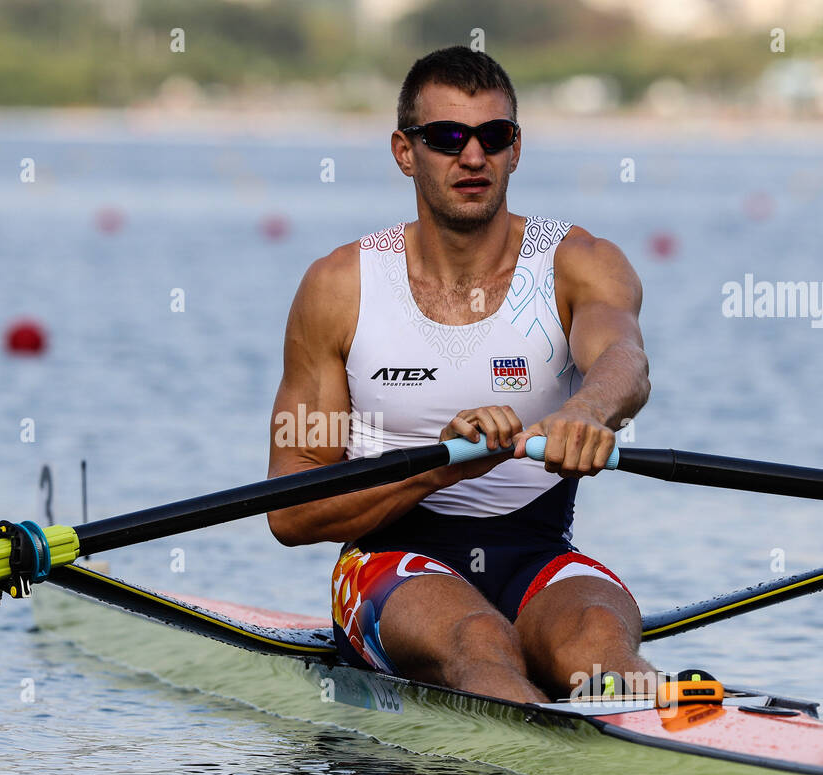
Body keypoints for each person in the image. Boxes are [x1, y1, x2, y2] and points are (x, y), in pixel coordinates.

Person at [267, 47, 654, 704]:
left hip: (536, 556)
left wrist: (589, 410)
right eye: (447, 137)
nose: (472, 157)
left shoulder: (579, 262)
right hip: (390, 562)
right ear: (404, 151)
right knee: (478, 640)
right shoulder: (339, 288)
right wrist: (439, 466)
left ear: (516, 149)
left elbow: (627, 360)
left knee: (599, 637)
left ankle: (684, 744)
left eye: (493, 136)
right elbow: (291, 508)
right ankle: (532, 770)